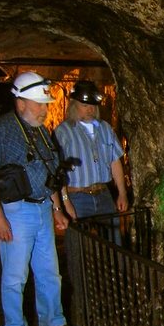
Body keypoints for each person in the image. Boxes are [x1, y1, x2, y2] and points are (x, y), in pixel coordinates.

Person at [0, 71, 79, 326]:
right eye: (39, 104)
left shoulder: (41, 132)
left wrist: (57, 207)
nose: (45, 110)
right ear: (20, 102)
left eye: (45, 104)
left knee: (49, 272)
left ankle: (53, 321)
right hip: (16, 211)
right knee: (15, 275)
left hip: (43, 208)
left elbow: (51, 172)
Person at [54, 80, 128, 223]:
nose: (90, 110)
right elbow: (58, 170)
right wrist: (65, 201)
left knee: (112, 241)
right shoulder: (63, 132)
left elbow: (115, 162)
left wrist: (122, 193)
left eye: (93, 105)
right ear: (74, 105)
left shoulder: (105, 128)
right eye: (85, 105)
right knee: (80, 243)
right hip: (77, 197)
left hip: (103, 194)